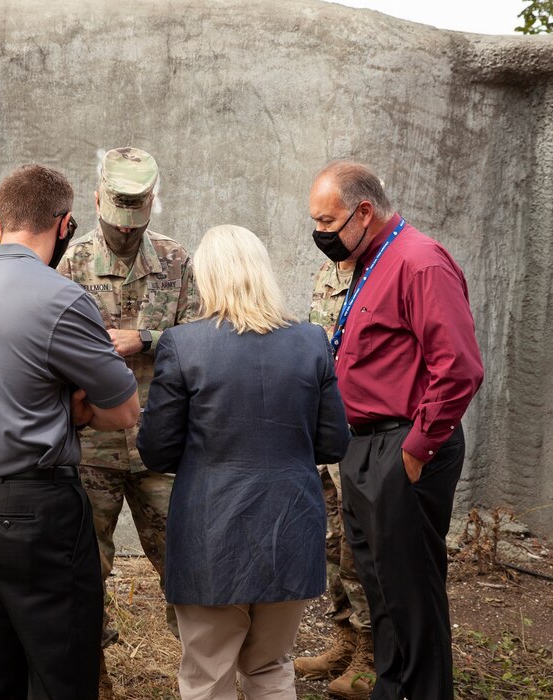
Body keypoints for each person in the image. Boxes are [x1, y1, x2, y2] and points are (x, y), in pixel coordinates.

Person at [0, 164, 140, 699]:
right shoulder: (60, 298)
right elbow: (125, 410)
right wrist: (77, 411)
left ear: (1, 222)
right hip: (35, 508)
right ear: (65, 222)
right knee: (62, 675)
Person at [137, 225, 350, 700]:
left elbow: (155, 450)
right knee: (272, 667)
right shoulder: (311, 341)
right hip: (291, 527)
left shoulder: (183, 344)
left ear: (207, 278)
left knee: (207, 674)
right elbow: (334, 443)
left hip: (210, 533)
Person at [308, 160, 484, 700]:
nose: (320, 235)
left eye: (327, 223)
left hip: (402, 444)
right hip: (363, 445)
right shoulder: (368, 259)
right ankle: (392, 686)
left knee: (411, 590)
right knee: (379, 588)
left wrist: (416, 449)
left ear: (364, 212)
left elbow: (458, 367)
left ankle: (425, 690)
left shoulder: (419, 261)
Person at [56, 146, 197, 693]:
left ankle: (203, 677)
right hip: (91, 447)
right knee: (85, 575)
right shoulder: (69, 262)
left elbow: (202, 340)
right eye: (116, 220)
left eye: (133, 221)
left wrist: (148, 339)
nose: (124, 233)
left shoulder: (176, 261)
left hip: (159, 448)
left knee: (187, 570)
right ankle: (92, 682)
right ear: (95, 201)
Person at [295, 258, 375, 699]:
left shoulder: (385, 270)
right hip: (328, 424)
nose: (322, 231)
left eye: (329, 221)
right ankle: (345, 640)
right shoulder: (329, 272)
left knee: (358, 547)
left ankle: (373, 652)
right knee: (330, 541)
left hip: (367, 432)